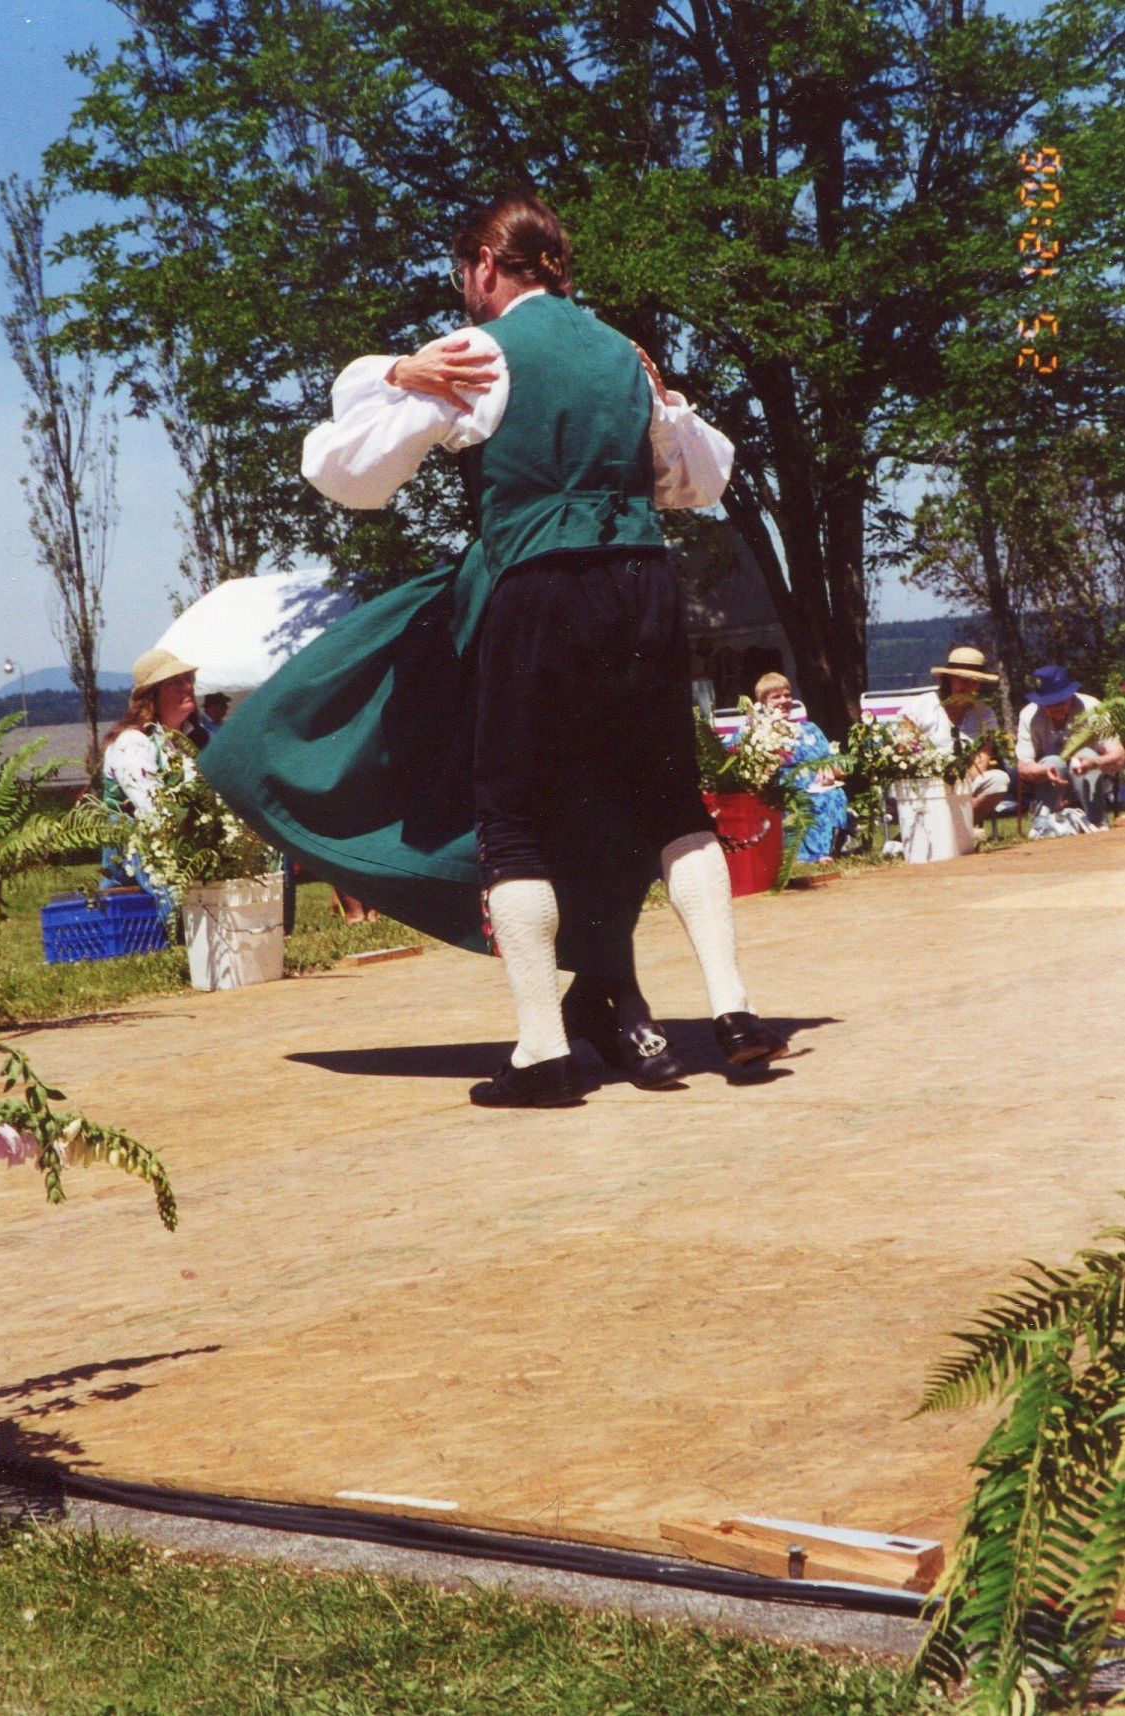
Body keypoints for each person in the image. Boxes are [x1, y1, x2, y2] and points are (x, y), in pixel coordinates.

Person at [293, 192, 787, 1107]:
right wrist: (663, 407)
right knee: (673, 805)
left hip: (541, 587)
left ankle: (541, 1053)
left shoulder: (479, 356)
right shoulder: (621, 355)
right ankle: (734, 1014)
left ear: (485, 262)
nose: (463, 297)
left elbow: (344, 474)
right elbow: (703, 478)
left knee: (512, 819)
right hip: (643, 582)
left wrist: (401, 376)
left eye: (462, 277)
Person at [101, 648, 206, 926]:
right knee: (171, 871)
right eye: (176, 682)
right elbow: (152, 808)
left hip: (179, 841)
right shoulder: (132, 743)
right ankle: (180, 941)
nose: (188, 687)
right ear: (153, 696)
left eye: (188, 680)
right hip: (135, 852)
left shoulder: (184, 742)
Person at [894, 647, 1011, 828]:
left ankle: (952, 830)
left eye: (974, 682)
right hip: (926, 783)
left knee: (999, 780)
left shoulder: (985, 714)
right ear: (949, 679)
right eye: (963, 681)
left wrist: (961, 784)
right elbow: (903, 750)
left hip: (965, 782)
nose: (967, 688)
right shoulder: (921, 707)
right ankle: (951, 831)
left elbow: (983, 758)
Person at [753, 672, 848, 863]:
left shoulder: (809, 728)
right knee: (805, 801)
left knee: (833, 795)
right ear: (763, 702)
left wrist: (830, 771)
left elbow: (832, 760)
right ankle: (816, 854)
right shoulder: (757, 731)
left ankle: (830, 849)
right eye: (776, 696)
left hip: (818, 783)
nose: (784, 701)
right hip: (783, 786)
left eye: (787, 695)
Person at [1016, 663, 1124, 830]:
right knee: (1053, 761)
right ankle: (1041, 825)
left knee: (1085, 754)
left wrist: (1094, 762)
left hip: (1091, 781)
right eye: (1050, 703)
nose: (1056, 707)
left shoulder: (1091, 707)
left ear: (1071, 694)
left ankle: (1097, 821)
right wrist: (1044, 771)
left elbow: (1118, 755)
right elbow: (1023, 766)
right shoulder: (1029, 716)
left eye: (1061, 701)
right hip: (1050, 785)